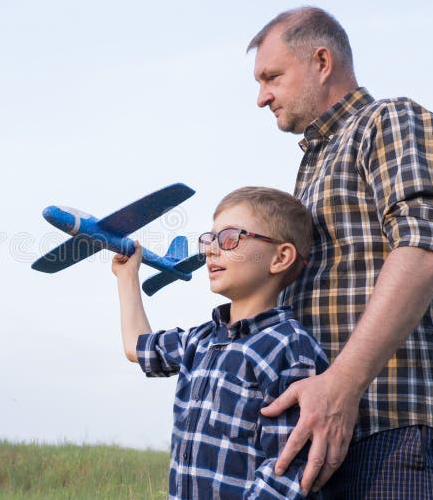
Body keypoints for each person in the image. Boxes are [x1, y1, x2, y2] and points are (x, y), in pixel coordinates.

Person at [247, 7, 433, 499]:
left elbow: (425, 248)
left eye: (272, 76)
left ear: (322, 61)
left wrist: (341, 384)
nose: (262, 96)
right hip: (324, 433)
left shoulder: (391, 120)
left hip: (395, 429)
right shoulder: (314, 167)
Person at [112, 186, 329, 499]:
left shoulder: (290, 349)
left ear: (280, 258)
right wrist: (126, 277)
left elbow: (288, 469)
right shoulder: (201, 341)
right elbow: (138, 347)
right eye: (209, 240)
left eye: (229, 238)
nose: (210, 251)